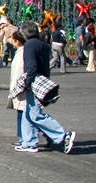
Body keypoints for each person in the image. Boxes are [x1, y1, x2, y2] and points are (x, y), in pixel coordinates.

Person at [14, 20, 75, 154]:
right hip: (42, 80)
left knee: (35, 115)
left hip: (34, 82)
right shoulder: (43, 44)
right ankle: (29, 142)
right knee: (28, 113)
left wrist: (27, 83)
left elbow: (31, 66)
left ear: (25, 33)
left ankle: (63, 136)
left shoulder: (29, 45)